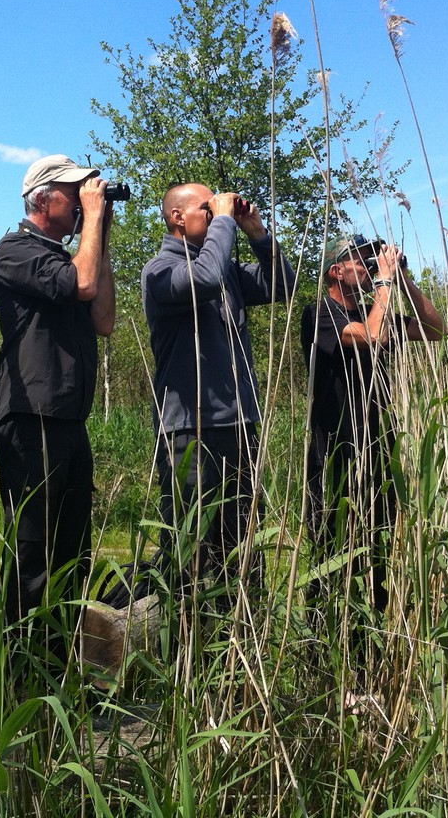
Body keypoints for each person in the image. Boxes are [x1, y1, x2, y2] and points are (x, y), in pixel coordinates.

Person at [0, 154, 116, 683]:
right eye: (75, 191)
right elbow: (81, 287)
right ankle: (21, 681)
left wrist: (99, 232)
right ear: (43, 199)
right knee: (32, 555)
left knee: (72, 554)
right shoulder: (14, 251)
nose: (86, 197)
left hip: (68, 420)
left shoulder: (73, 256)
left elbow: (104, 319)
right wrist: (92, 224)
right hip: (30, 418)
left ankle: (57, 675)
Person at [141, 184, 295, 615]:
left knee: (241, 544)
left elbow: (281, 285)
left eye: (215, 209)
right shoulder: (159, 270)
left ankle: (238, 645)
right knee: (191, 545)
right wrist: (225, 221)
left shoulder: (223, 268)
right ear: (176, 218)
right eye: (205, 209)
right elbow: (204, 279)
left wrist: (258, 234)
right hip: (190, 429)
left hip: (238, 424)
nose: (214, 214)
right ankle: (181, 653)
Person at [301, 235, 443, 686]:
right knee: (332, 560)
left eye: (371, 261)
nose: (368, 267)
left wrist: (403, 279)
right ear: (335, 271)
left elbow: (436, 331)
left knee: (375, 558)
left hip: (379, 455)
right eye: (360, 262)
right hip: (333, 458)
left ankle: (366, 665)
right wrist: (384, 282)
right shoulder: (319, 315)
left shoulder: (375, 305)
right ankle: (324, 666)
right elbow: (375, 336)